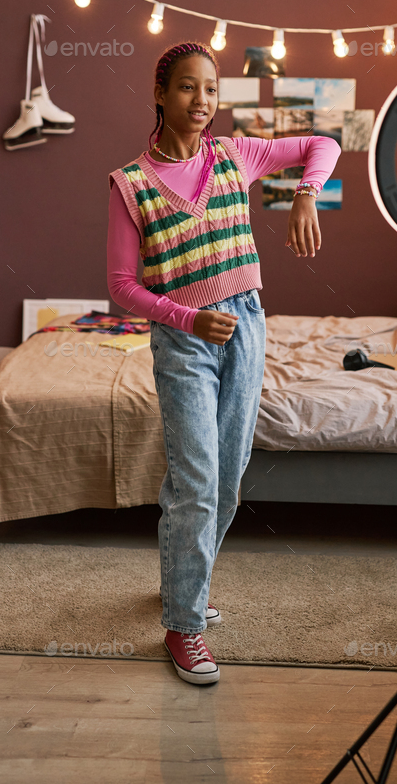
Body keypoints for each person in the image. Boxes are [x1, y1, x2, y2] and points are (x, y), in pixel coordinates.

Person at [107, 41, 341, 685]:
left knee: (224, 476)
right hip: (184, 341)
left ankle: (185, 578)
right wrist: (185, 319)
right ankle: (183, 627)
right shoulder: (132, 184)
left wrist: (304, 195)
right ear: (160, 94)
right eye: (187, 88)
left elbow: (324, 143)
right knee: (198, 480)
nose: (202, 101)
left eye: (211, 90)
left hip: (247, 329)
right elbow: (122, 287)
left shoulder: (236, 155)